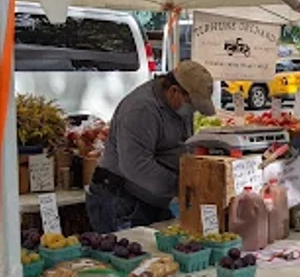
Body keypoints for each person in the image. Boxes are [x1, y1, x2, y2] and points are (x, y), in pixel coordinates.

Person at [86, 60, 215, 232]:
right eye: (192, 105)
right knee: (129, 254)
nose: (193, 111)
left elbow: (182, 145)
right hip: (121, 200)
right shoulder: (141, 109)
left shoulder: (178, 106)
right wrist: (182, 186)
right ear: (174, 91)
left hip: (151, 199)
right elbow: (136, 166)